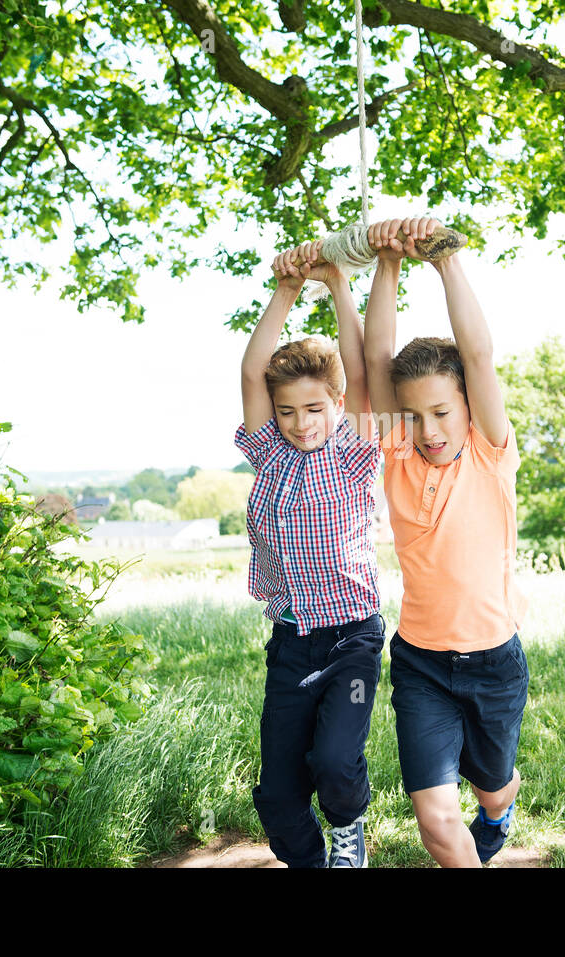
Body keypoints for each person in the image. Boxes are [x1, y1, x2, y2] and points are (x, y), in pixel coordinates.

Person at [362, 216, 529, 867]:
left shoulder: (490, 454)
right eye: (415, 414)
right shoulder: (398, 453)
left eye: (443, 411)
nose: (429, 429)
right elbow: (377, 359)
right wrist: (386, 262)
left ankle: (499, 811)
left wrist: (444, 261)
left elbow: (479, 354)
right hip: (421, 662)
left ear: (468, 406)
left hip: (494, 662)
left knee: (492, 787)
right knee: (435, 815)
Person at [234, 239, 385, 868]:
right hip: (293, 640)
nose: (301, 422)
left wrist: (340, 287)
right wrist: (288, 289)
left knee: (334, 762)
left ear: (337, 404)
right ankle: (312, 863)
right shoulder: (269, 452)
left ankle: (348, 829)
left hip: (352, 637)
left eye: (314, 408)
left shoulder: (353, 452)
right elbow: (250, 372)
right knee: (277, 791)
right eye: (288, 411)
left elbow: (359, 365)